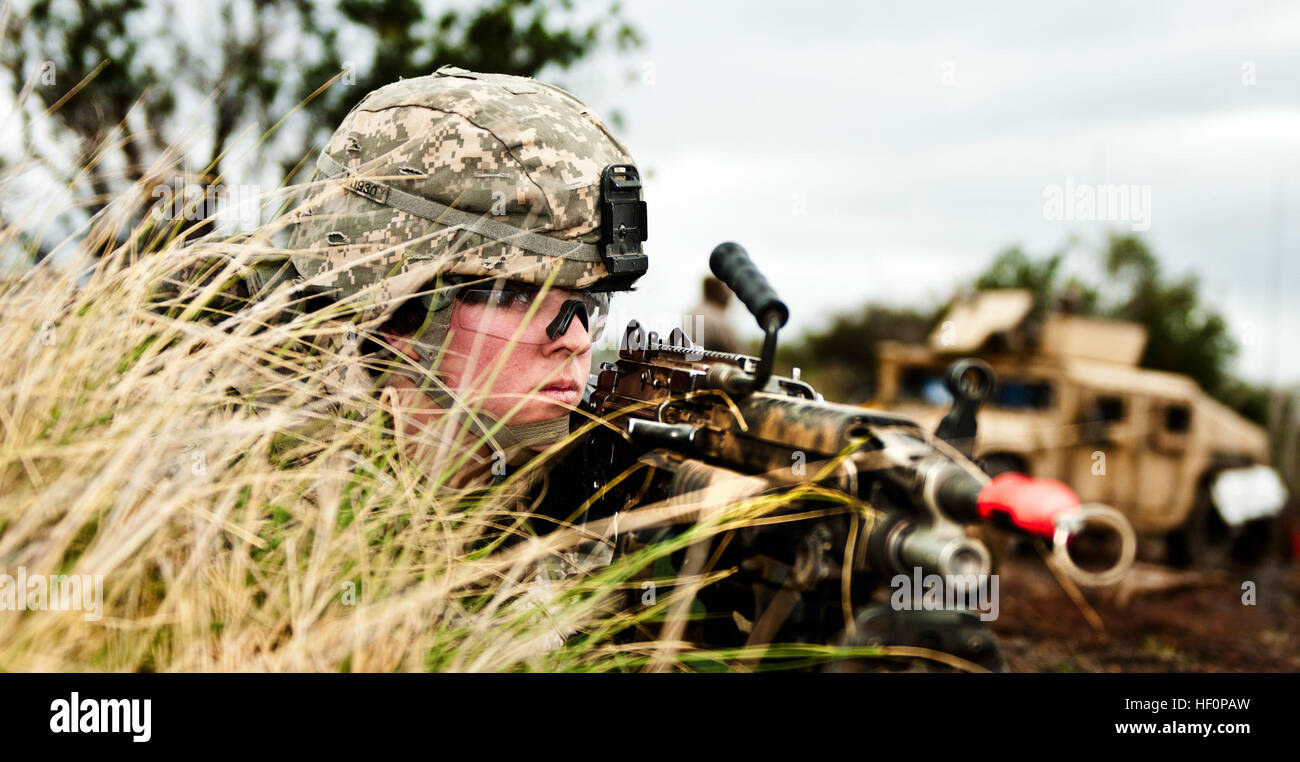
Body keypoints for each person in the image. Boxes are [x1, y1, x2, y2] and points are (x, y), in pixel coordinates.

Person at [284, 65, 648, 488]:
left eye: (588, 303)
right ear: (393, 307)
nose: (578, 341)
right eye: (515, 295)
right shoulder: (262, 467)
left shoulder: (590, 470)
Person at [686, 275, 742, 354]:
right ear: (719, 292)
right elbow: (736, 352)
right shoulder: (716, 318)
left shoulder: (693, 312)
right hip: (706, 363)